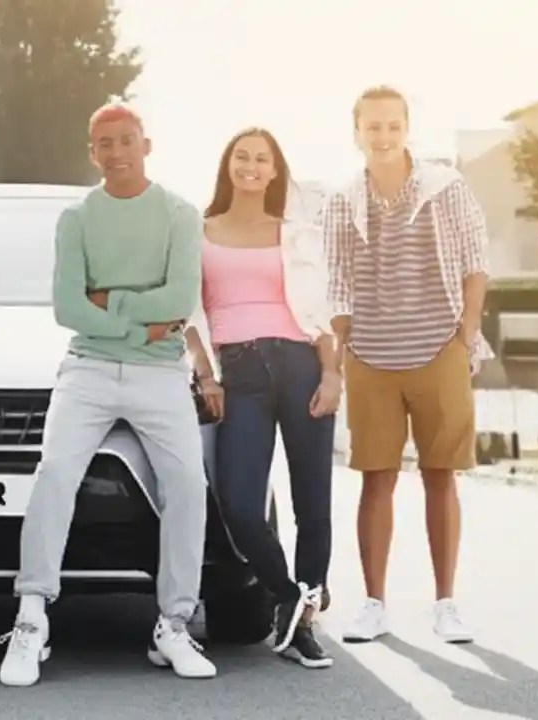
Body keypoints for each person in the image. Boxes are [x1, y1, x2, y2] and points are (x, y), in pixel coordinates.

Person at [0, 104, 215, 687]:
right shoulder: (77, 218)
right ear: (91, 152)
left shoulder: (179, 214)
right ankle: (32, 617)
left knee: (189, 486)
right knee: (54, 474)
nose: (116, 152)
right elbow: (68, 308)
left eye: (126, 141)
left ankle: (173, 623)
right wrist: (138, 318)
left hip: (161, 374)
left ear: (146, 143)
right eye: (104, 144)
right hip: (88, 368)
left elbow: (180, 299)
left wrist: (108, 303)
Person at [324, 85, 492, 645]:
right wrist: (343, 348)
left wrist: (465, 336)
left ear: (406, 128)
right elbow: (335, 280)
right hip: (371, 355)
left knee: (441, 475)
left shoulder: (447, 186)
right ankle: (373, 603)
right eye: (373, 127)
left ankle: (446, 604)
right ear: (356, 132)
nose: (383, 136)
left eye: (393, 125)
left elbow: (476, 262)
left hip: (438, 347)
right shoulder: (342, 199)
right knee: (377, 478)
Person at [184, 127, 340, 669]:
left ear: (276, 172)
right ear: (228, 165)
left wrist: (332, 373)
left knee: (312, 502)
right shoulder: (198, 231)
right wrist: (206, 374)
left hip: (300, 364)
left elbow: (319, 311)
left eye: (262, 159)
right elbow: (188, 312)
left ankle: (305, 621)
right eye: (242, 157)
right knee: (241, 503)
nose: (251, 166)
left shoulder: (296, 233)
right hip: (240, 372)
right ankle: (288, 593)